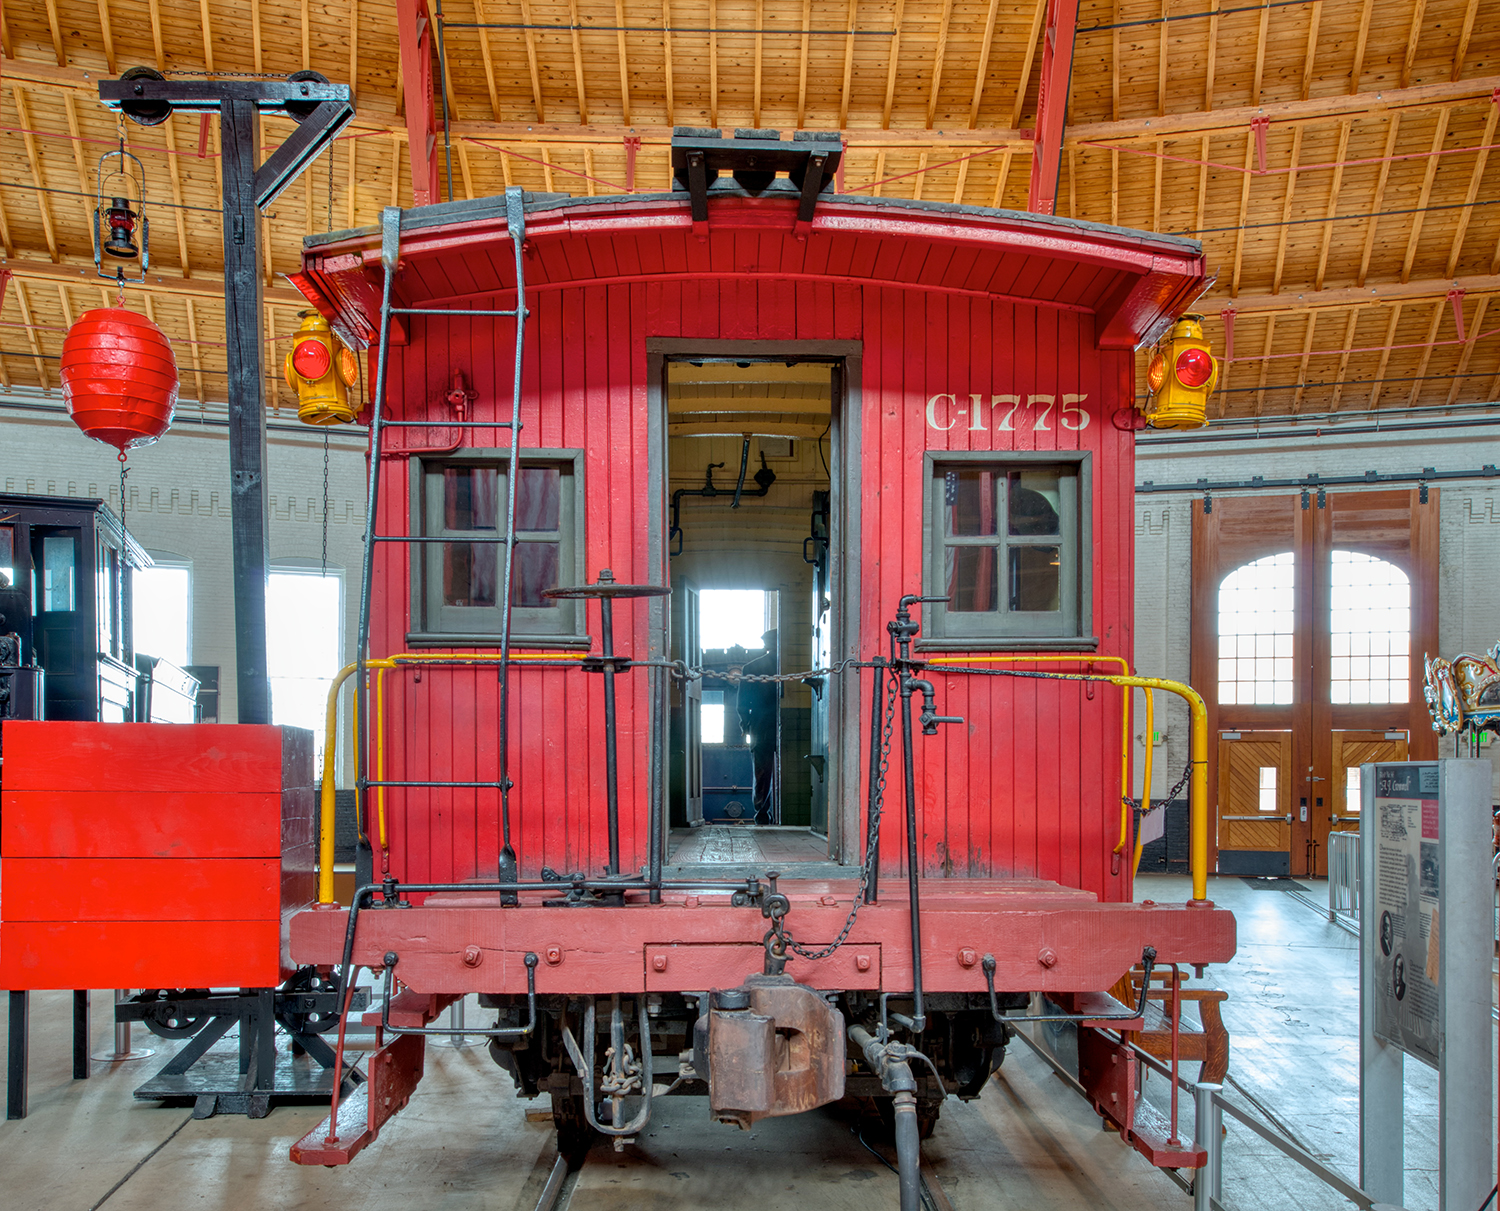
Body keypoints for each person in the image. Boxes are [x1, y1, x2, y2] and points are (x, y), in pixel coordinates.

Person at [736, 629, 780, 825]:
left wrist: (745, 726)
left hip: (760, 724)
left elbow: (743, 704)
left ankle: (762, 814)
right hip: (781, 720)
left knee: (761, 771)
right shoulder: (788, 666)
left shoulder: (751, 667)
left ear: (766, 644)